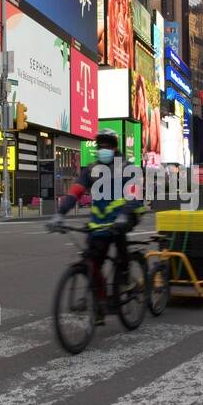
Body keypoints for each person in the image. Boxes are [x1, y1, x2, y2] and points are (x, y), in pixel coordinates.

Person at [48, 129, 145, 326]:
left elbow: (135, 195)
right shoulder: (91, 169)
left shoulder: (126, 168)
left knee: (120, 253)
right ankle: (100, 302)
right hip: (99, 224)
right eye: (100, 146)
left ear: (114, 148)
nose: (103, 149)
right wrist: (60, 213)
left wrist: (125, 214)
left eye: (107, 146)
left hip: (123, 218)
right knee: (92, 261)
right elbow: (75, 191)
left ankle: (126, 279)